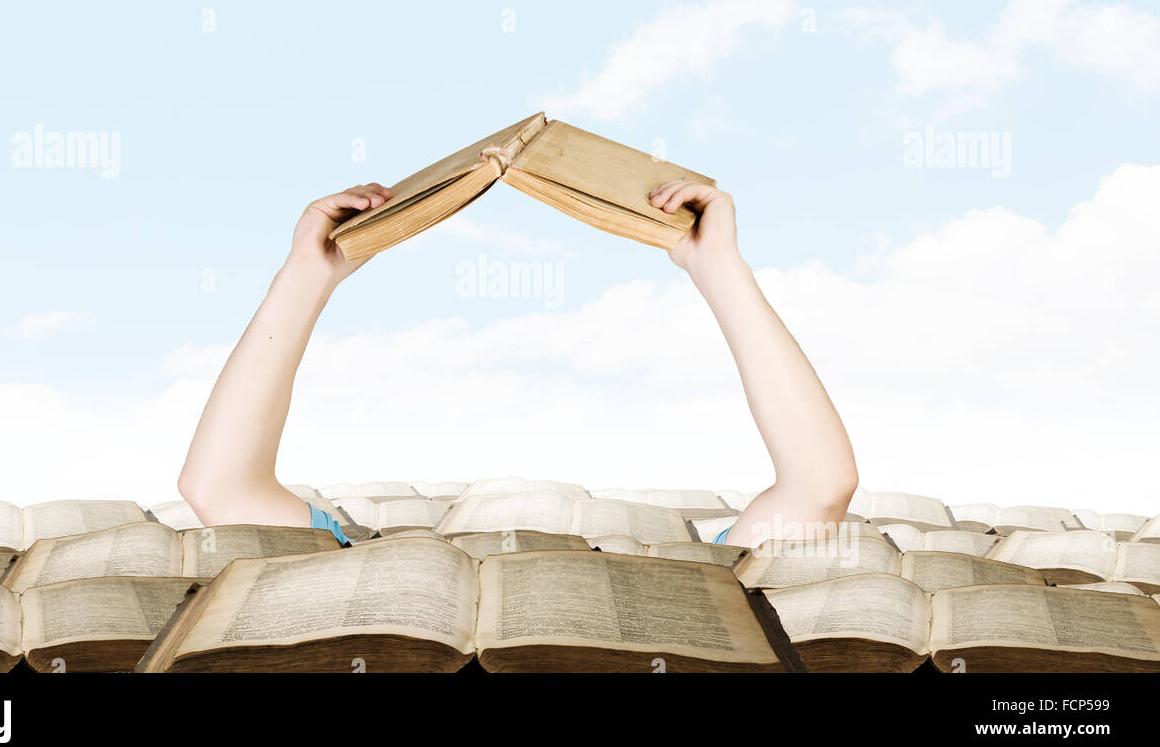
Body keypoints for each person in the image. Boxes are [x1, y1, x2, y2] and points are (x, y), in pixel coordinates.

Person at [177, 180, 858, 548]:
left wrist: (719, 268)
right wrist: (306, 274)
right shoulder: (353, 565)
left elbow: (820, 487)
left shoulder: (695, 582)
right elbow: (217, 487)